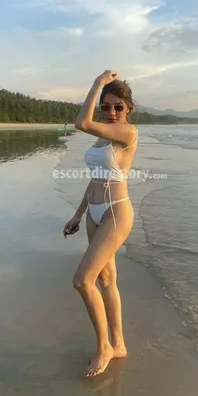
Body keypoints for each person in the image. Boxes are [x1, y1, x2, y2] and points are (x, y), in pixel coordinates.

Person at [63, 70, 138, 377]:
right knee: (106, 280)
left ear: (128, 108)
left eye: (118, 106)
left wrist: (98, 83)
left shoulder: (127, 133)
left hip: (116, 212)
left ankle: (103, 347)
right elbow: (95, 179)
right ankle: (118, 344)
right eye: (106, 107)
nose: (112, 112)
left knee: (83, 281)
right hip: (94, 212)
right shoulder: (102, 136)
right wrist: (79, 214)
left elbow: (80, 123)